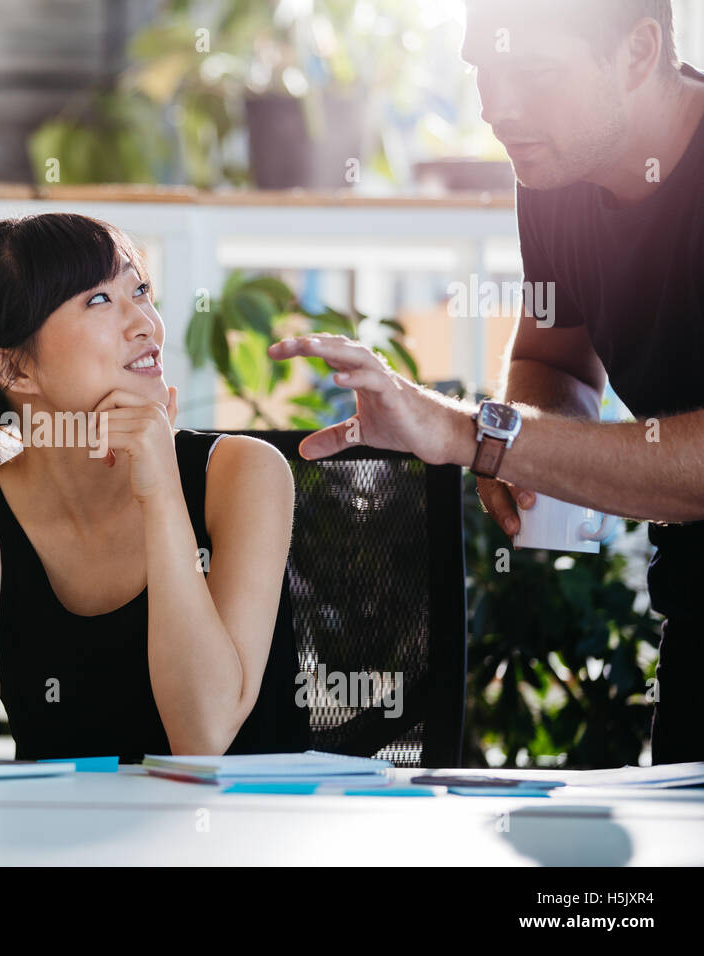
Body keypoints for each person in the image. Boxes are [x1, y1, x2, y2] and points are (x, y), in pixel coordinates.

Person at [270, 0, 704, 764]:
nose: (496, 108)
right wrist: (532, 450)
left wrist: (481, 435)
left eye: (532, 73)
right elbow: (558, 359)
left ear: (639, 53)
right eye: (481, 69)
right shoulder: (557, 170)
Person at [0, 212, 307, 762]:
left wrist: (159, 493)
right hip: (59, 841)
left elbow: (201, 735)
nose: (145, 324)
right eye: (99, 301)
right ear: (15, 370)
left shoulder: (243, 475)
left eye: (141, 291)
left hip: (242, 838)